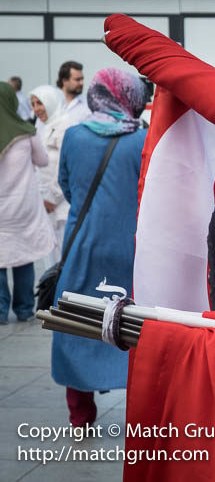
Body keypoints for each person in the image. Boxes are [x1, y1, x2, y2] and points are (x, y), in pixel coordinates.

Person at [51, 68, 148, 427]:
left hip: (82, 246)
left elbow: (66, 184)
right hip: (132, 247)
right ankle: (139, 414)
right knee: (134, 326)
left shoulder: (74, 136)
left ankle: (80, 414)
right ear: (130, 98)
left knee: (77, 322)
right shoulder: (143, 140)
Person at [0, 82, 56, 323]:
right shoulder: (26, 132)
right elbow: (43, 161)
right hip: (23, 207)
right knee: (24, 256)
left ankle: (0, 311)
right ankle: (24, 309)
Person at [29, 84, 77, 265]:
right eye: (33, 104)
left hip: (61, 202)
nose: (36, 109)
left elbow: (67, 166)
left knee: (64, 258)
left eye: (39, 103)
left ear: (50, 101)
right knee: (51, 258)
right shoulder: (43, 126)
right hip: (46, 203)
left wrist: (52, 196)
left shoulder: (65, 125)